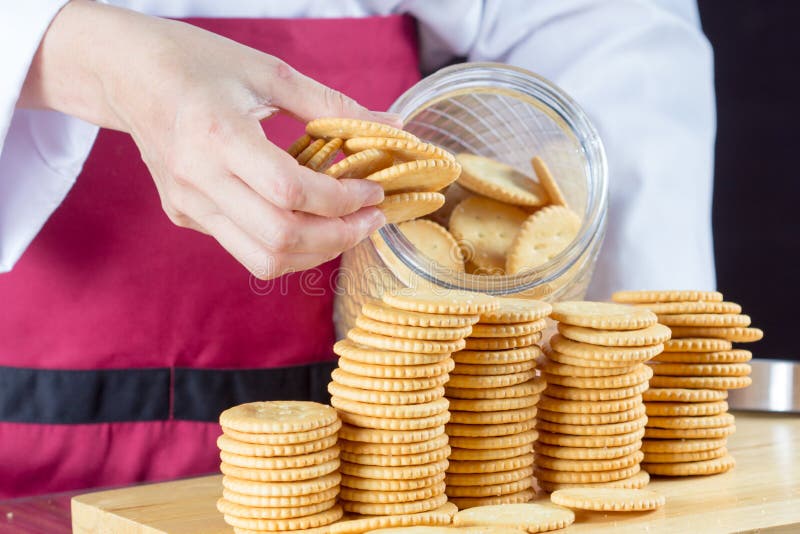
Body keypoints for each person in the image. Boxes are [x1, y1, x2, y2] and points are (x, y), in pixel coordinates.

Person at [0, 0, 715, 497]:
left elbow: (609, 27)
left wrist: (642, 380)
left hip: (378, 430)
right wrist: (81, 54)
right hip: (30, 418)